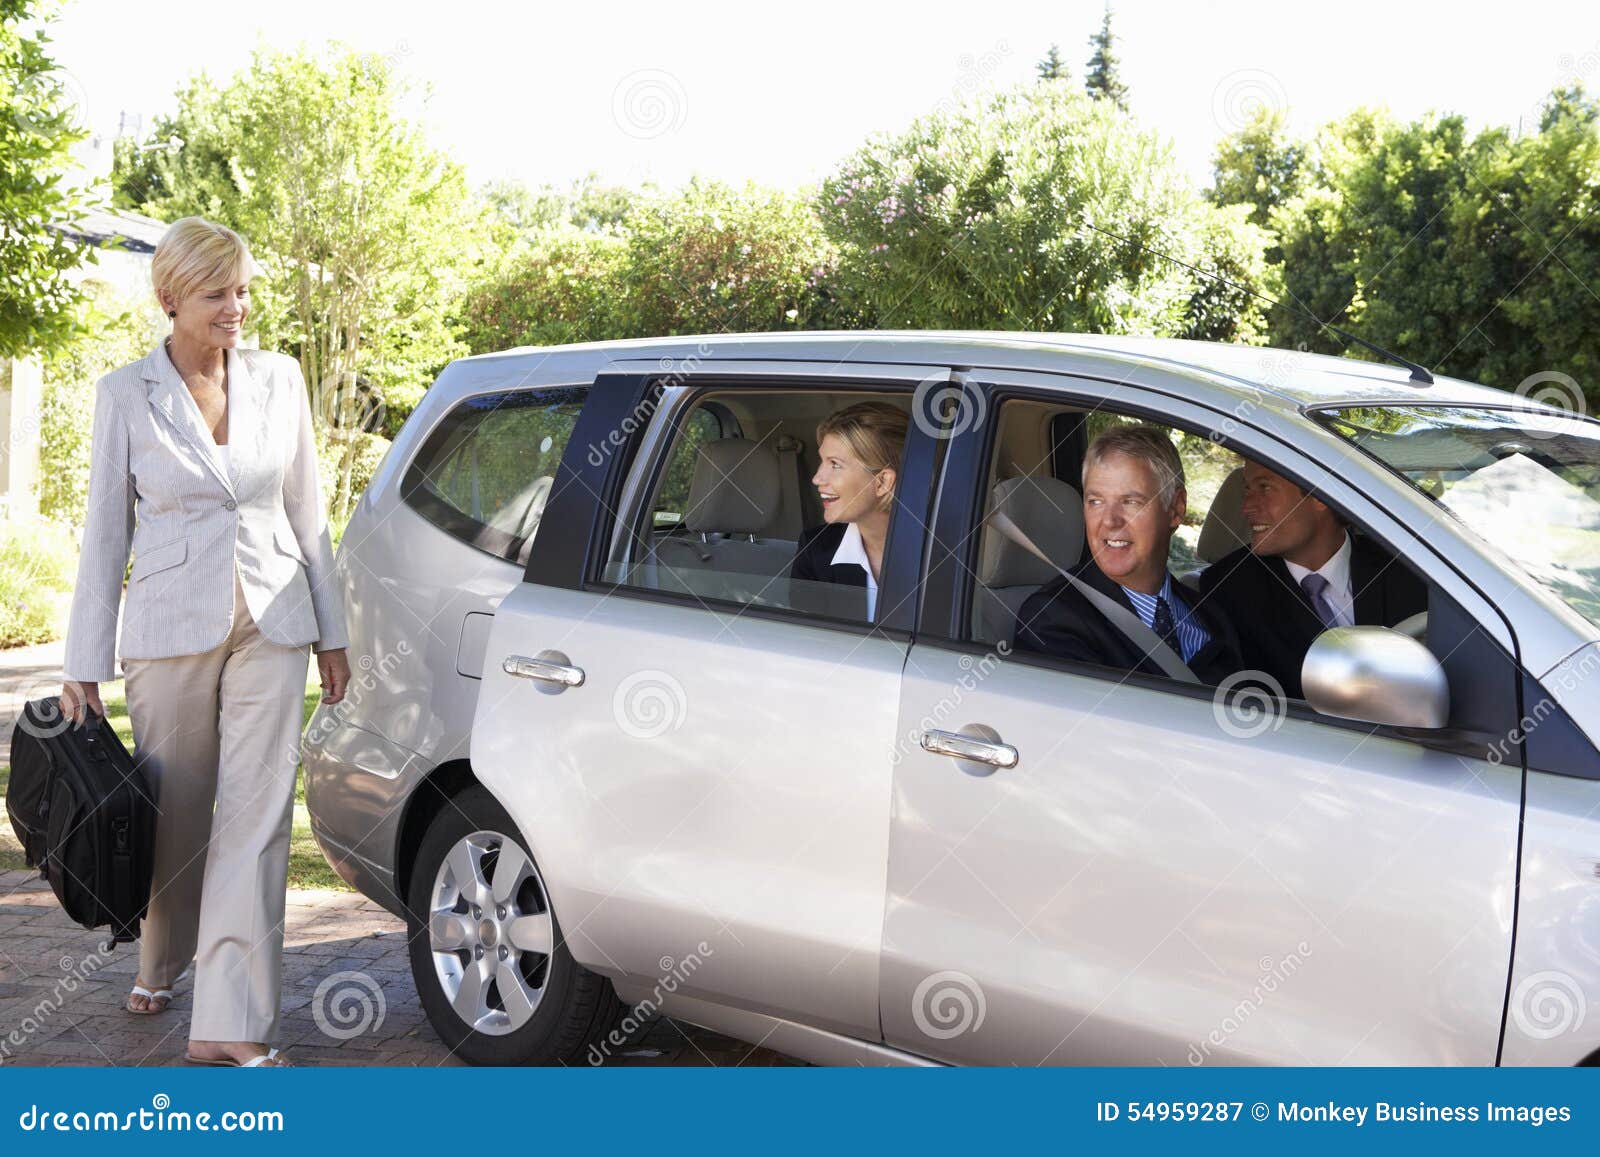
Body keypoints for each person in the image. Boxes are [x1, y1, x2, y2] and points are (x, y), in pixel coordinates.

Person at [57, 217, 351, 1068]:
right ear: (171, 298)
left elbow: (308, 513)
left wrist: (332, 631)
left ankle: (231, 1022)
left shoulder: (280, 379)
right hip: (167, 625)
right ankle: (161, 957)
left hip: (275, 617)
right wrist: (84, 661)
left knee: (257, 818)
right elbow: (103, 536)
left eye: (244, 289)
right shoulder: (125, 394)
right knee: (176, 814)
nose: (239, 307)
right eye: (219, 292)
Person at [1015, 425, 1242, 684]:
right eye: (1095, 501)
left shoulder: (1212, 616)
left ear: (1176, 509)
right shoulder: (1053, 618)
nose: (1109, 521)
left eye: (1131, 501)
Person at [1199, 459, 1427, 699]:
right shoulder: (1227, 589)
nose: (1246, 507)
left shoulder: (1409, 570)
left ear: (1319, 495)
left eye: (1264, 487)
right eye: (1247, 489)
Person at [789, 401, 908, 620]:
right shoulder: (815, 550)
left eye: (834, 464)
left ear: (882, 482)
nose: (816, 479)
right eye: (821, 462)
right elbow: (806, 644)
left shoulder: (949, 551)